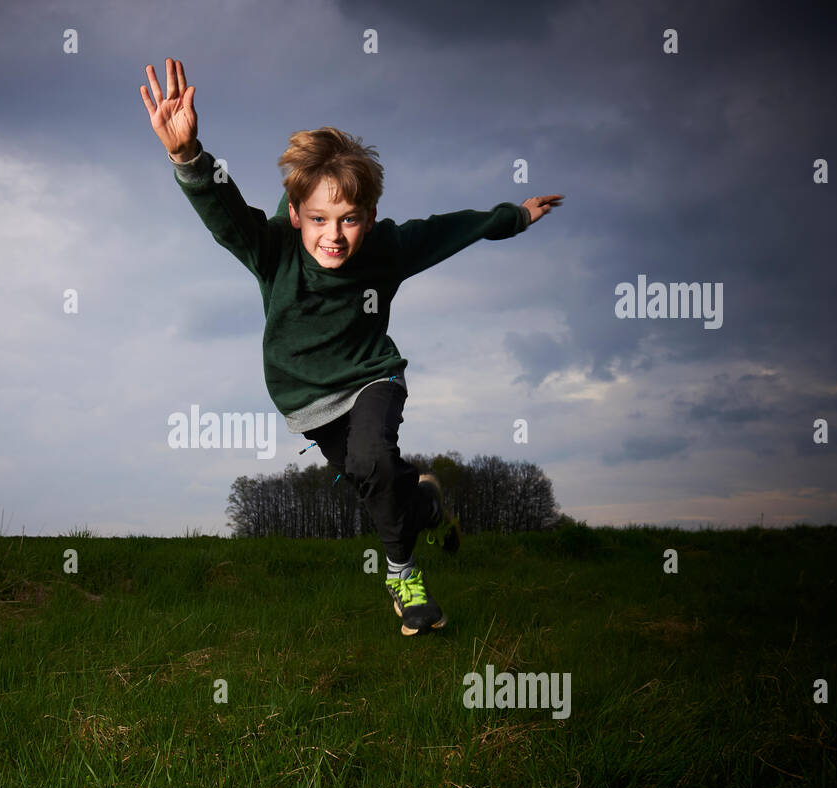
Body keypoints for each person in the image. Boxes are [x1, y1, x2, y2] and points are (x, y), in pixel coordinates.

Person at [141, 58, 563, 635]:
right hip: (309, 403)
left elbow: (446, 230)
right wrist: (188, 155)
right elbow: (225, 213)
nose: (333, 236)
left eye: (349, 220)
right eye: (318, 218)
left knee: (370, 462)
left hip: (373, 377)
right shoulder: (273, 250)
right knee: (378, 484)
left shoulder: (384, 250)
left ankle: (403, 579)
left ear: (369, 218)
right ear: (295, 216)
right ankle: (427, 506)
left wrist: (513, 215)